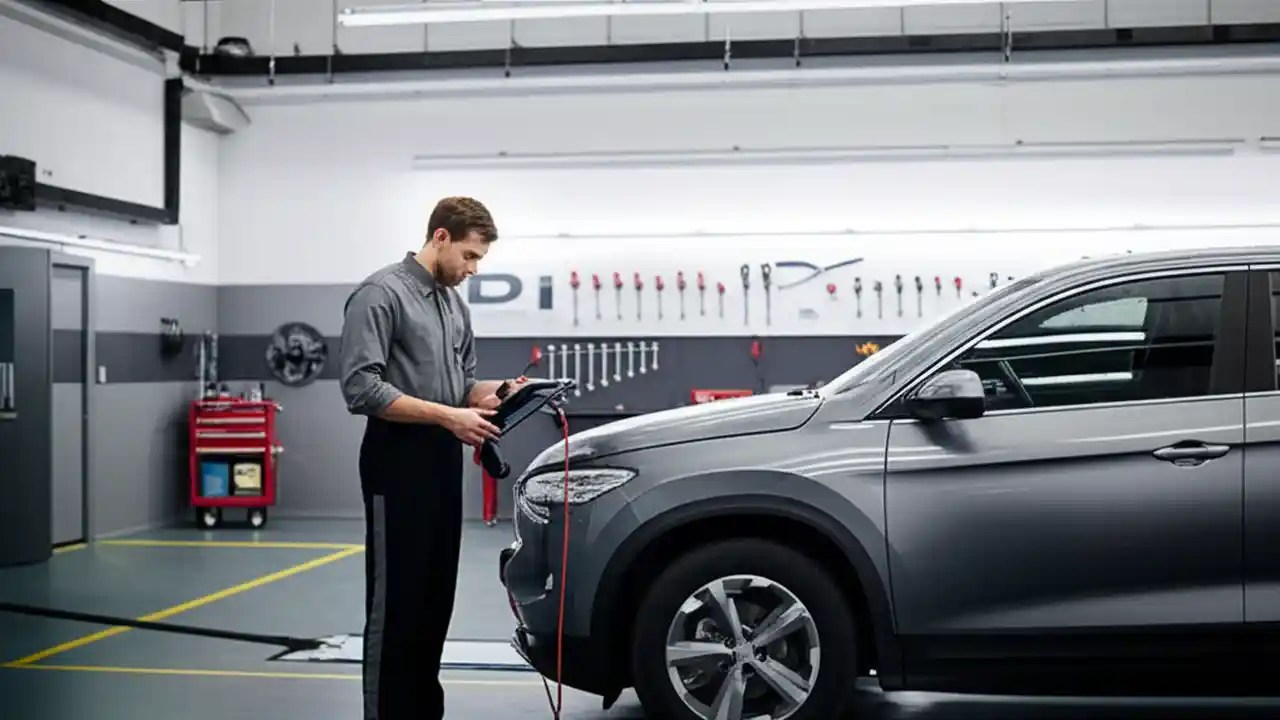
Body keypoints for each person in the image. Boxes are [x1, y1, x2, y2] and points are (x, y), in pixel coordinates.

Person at [338, 196, 525, 720]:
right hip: (396, 461)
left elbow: (462, 386)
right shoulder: (380, 295)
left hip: (443, 460)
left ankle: (422, 712)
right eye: (468, 256)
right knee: (395, 604)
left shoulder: (452, 303)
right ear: (439, 237)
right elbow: (360, 388)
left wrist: (500, 393)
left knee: (433, 599)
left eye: (478, 260)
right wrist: (447, 415)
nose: (472, 269)